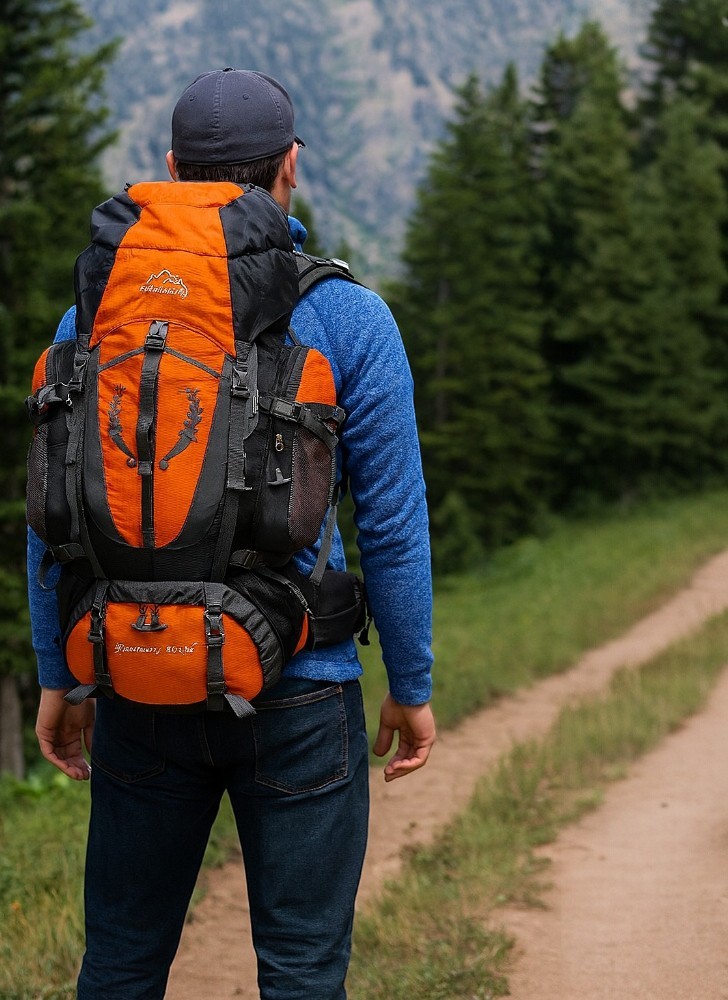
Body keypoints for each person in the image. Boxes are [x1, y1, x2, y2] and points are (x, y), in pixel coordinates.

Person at [29, 68, 435, 1000]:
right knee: (299, 968)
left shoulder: (98, 314)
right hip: (302, 688)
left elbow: (53, 513)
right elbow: (394, 526)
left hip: (138, 671)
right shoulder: (349, 316)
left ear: (173, 170)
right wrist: (409, 687)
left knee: (124, 960)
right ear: (292, 167)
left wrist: (61, 674)